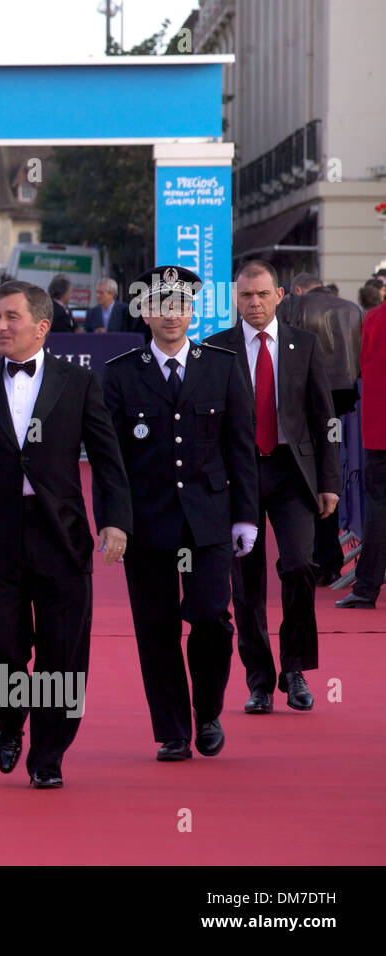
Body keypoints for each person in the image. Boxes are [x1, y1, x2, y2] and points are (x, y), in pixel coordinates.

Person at [0, 280, 132, 789]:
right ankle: (9, 719)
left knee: (63, 652)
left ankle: (48, 756)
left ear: (42, 327)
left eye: (10, 318)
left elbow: (108, 458)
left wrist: (114, 520)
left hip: (62, 534)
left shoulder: (79, 382)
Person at [102, 265, 258, 762]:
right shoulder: (122, 373)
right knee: (156, 626)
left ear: (192, 312)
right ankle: (172, 729)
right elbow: (111, 462)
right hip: (147, 524)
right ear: (145, 312)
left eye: (182, 306)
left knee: (212, 618)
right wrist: (113, 521)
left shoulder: (221, 364)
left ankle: (207, 710)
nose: (173, 315)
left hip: (209, 519)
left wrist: (246, 517)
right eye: (162, 306)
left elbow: (241, 446)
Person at [204, 260, 339, 714]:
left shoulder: (305, 345)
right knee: (245, 582)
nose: (254, 303)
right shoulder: (216, 350)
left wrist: (331, 483)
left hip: (291, 473)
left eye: (262, 294)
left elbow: (325, 419)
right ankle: (259, 680)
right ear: (235, 299)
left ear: (280, 295)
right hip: (236, 475)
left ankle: (295, 668)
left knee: (300, 566)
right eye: (245, 296)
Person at [280, 274, 363, 583]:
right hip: (346, 402)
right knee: (338, 470)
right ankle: (328, 555)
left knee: (311, 476)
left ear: (298, 289)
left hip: (304, 402)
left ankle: (321, 554)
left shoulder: (293, 307)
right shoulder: (352, 308)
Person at [336, 297, 386, 609]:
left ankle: (367, 587)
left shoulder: (373, 318)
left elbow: (363, 365)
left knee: (378, 514)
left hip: (378, 429)